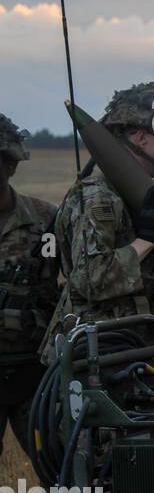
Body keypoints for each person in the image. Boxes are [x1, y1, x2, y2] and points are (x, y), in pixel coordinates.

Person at [39, 81, 154, 366]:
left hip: (131, 349)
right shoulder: (99, 196)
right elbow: (89, 279)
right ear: (141, 136)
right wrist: (145, 239)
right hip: (94, 357)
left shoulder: (132, 196)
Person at [0, 114, 59, 463]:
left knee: (58, 468)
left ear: (10, 165)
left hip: (34, 374)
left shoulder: (45, 221)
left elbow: (79, 279)